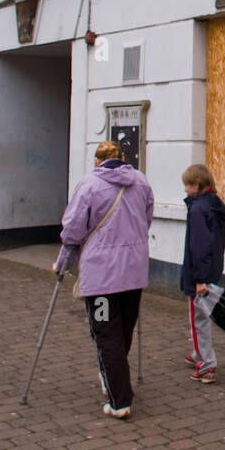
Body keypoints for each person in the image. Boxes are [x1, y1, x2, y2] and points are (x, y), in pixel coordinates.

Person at [56, 140, 153, 419]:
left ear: (97, 161)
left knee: (105, 333)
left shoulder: (89, 184)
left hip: (101, 277)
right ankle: (112, 376)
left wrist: (62, 264)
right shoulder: (141, 181)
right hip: (133, 272)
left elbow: (73, 230)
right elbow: (146, 218)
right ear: (122, 159)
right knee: (123, 329)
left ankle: (119, 400)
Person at [179, 163, 225, 385]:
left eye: (187, 185)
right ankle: (198, 352)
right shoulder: (213, 204)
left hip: (198, 274)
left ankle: (206, 364)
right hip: (212, 268)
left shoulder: (198, 209)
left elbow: (199, 246)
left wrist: (199, 279)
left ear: (197, 184)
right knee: (203, 315)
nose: (185, 190)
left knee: (197, 320)